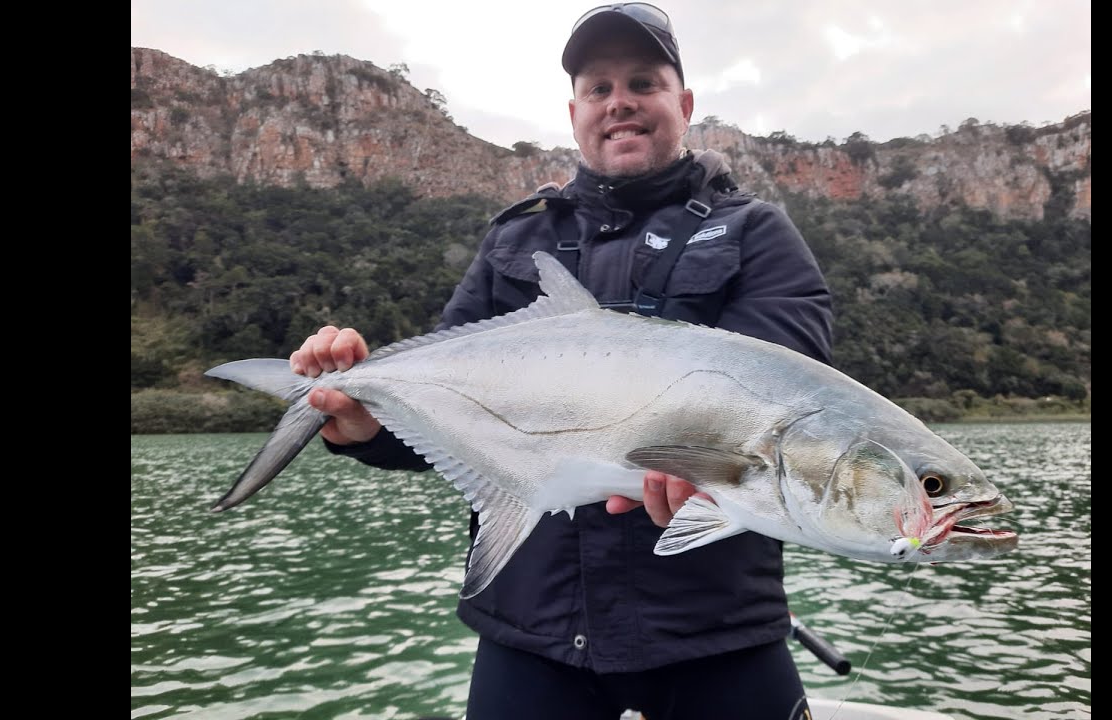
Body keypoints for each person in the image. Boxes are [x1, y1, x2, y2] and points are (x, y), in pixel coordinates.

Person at [290, 4, 834, 718]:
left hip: (716, 628)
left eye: (644, 81)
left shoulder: (756, 232)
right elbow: (446, 430)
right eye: (598, 87)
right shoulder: (515, 241)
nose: (621, 103)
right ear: (574, 111)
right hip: (533, 630)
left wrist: (704, 466)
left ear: (685, 104)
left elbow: (780, 405)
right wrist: (358, 424)